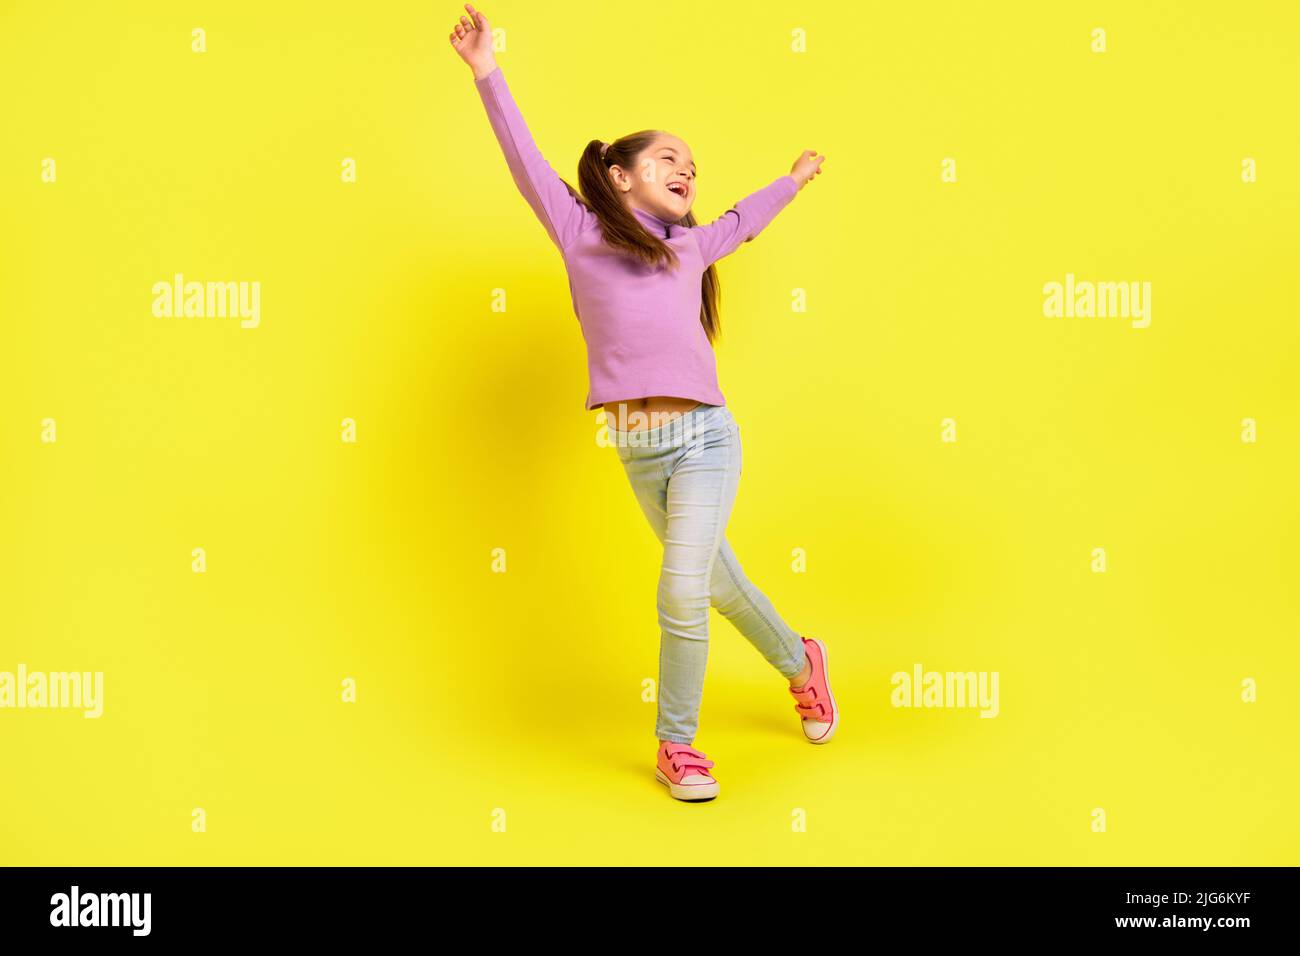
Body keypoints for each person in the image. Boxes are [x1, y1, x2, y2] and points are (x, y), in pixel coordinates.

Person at [449, 3, 838, 801]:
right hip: (636, 451)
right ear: (621, 176)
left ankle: (677, 745)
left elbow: (745, 219)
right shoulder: (577, 229)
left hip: (704, 440)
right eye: (669, 158)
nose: (686, 169)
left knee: (680, 588)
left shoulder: (692, 246)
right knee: (718, 585)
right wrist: (489, 72)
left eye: (691, 163)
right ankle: (803, 662)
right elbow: (523, 160)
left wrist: (792, 182)